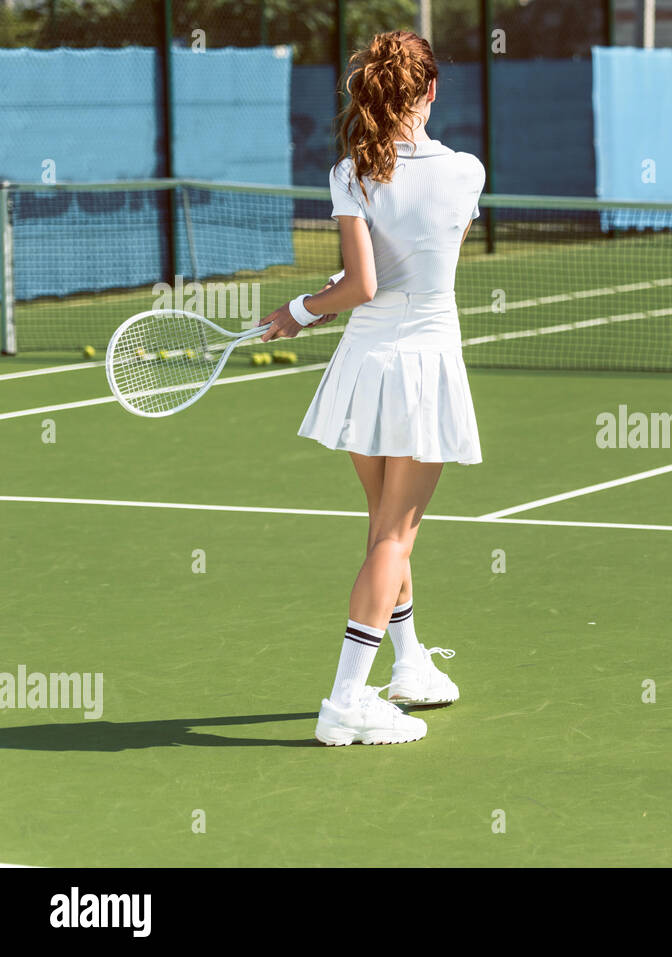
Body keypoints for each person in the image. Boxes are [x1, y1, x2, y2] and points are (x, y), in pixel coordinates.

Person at [258, 30, 485, 746]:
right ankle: (346, 701)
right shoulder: (466, 173)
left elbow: (361, 283)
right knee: (395, 534)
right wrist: (315, 303)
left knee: (386, 528)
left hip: (363, 368)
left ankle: (411, 664)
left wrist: (299, 311)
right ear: (430, 92)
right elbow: (400, 272)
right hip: (421, 367)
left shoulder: (350, 172)